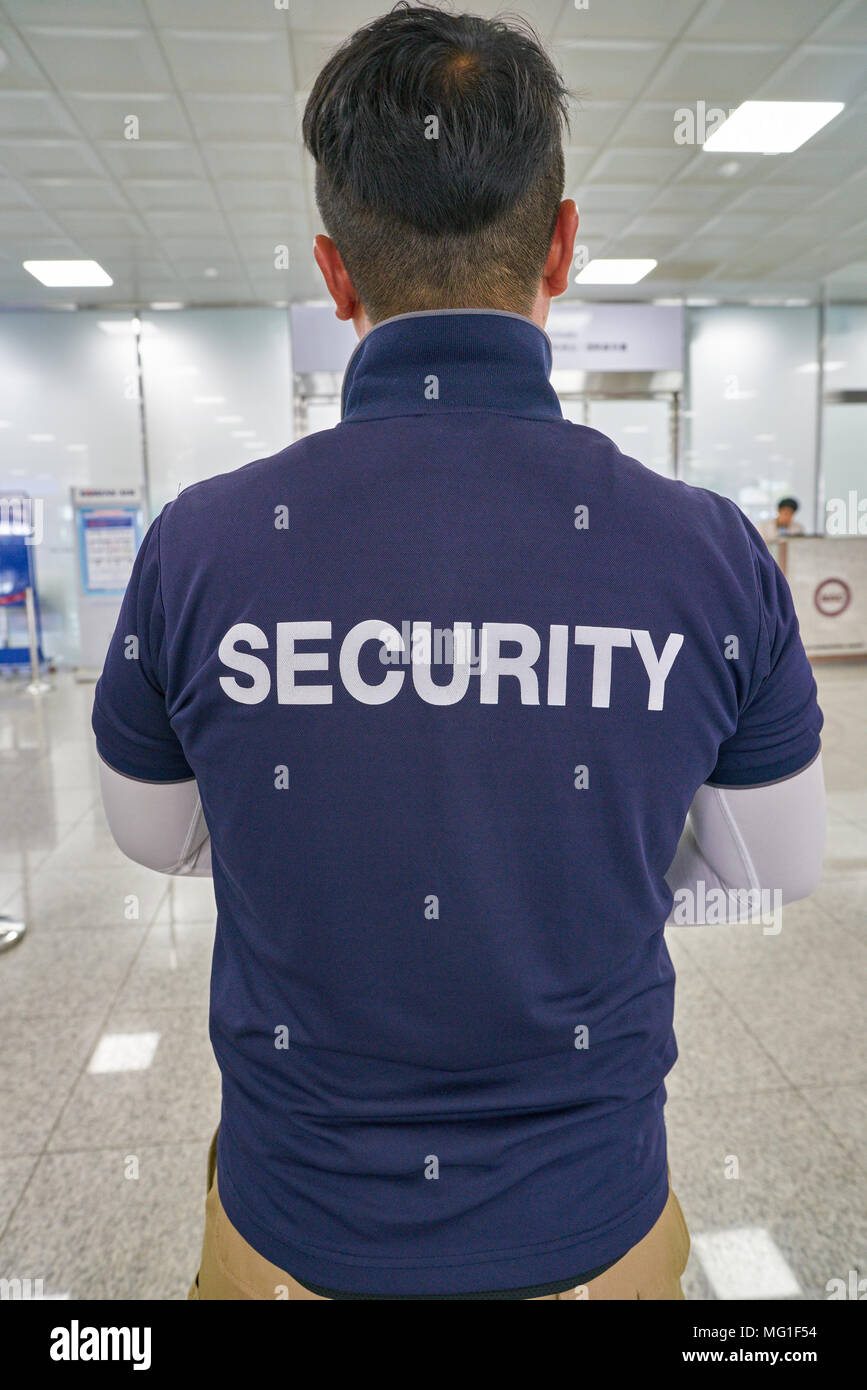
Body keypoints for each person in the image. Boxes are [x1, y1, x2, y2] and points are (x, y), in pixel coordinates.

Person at [92, 4, 825, 1301]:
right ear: (563, 245)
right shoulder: (707, 554)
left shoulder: (201, 546)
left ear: (334, 273)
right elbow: (775, 870)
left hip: (294, 1231)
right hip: (594, 1227)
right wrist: (606, 873)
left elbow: (155, 837)